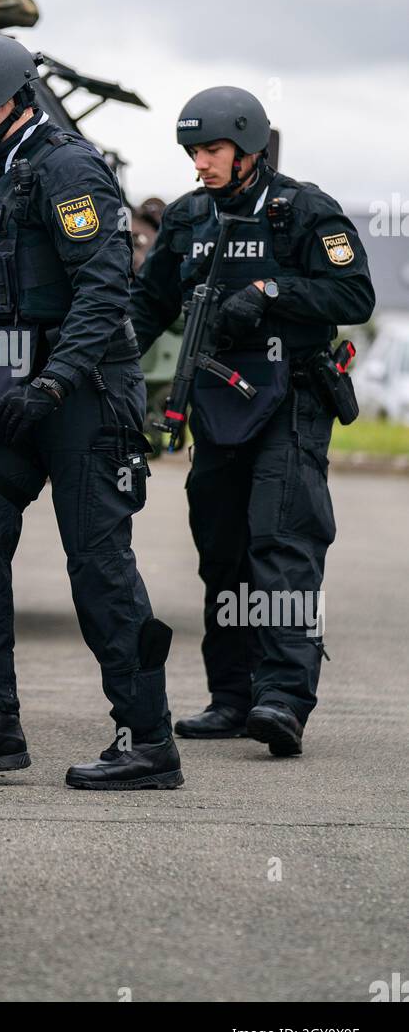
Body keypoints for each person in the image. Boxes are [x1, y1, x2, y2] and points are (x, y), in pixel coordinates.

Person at [0, 33, 183, 790]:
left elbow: (105, 289)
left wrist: (53, 384)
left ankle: (148, 738)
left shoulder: (67, 168)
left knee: (99, 567)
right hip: (6, 392)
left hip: (80, 396)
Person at [129, 86, 375, 756]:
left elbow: (354, 292)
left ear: (250, 149)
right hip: (219, 404)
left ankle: (283, 699)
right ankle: (232, 697)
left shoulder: (303, 211)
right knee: (223, 551)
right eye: (192, 152)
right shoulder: (186, 220)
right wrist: (97, 356)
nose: (200, 163)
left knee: (282, 545)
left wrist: (269, 292)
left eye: (211, 150)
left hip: (292, 401)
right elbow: (146, 307)